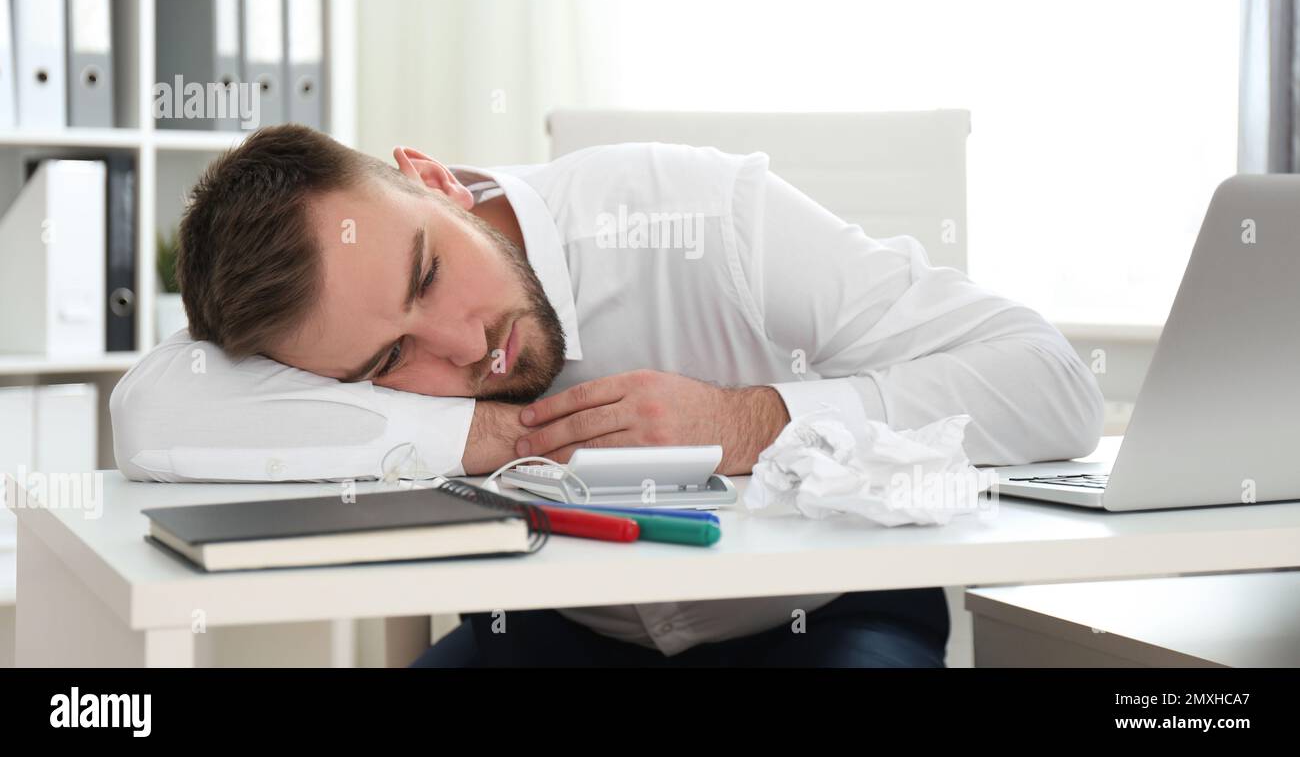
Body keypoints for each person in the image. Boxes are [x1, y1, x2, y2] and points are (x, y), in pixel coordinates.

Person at [111, 124, 1104, 667]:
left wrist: (748, 420)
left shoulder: (699, 211)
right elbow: (150, 412)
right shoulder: (334, 332)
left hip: (821, 621)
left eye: (426, 274)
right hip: (551, 633)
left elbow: (1049, 381)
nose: (467, 347)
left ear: (433, 178)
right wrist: (480, 433)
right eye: (383, 363)